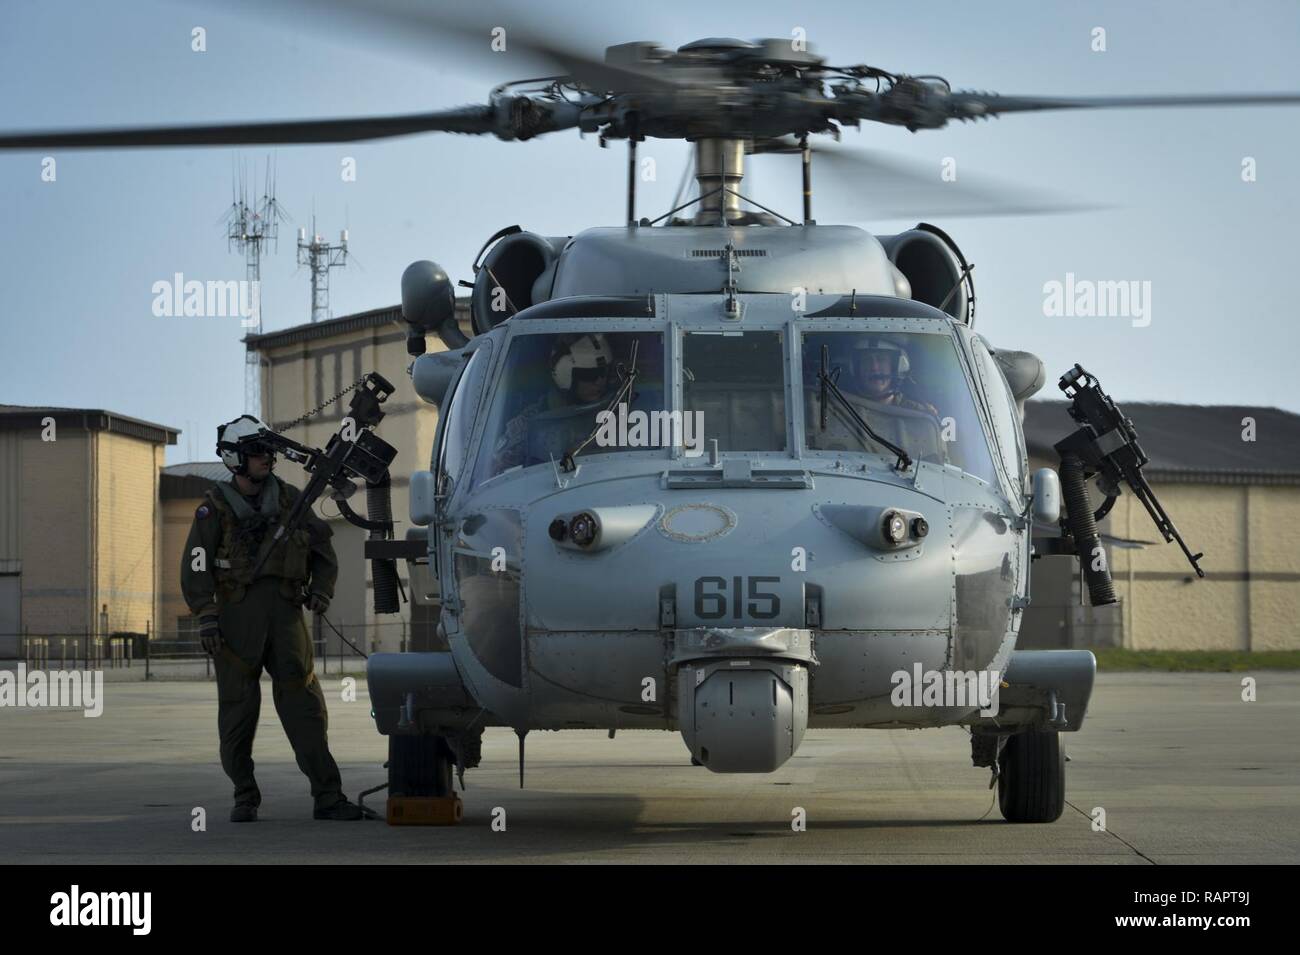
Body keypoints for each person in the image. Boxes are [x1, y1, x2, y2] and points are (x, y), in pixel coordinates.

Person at [181, 414, 363, 823]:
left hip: (285, 617)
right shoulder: (213, 510)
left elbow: (323, 552)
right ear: (236, 459)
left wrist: (321, 590)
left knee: (306, 709)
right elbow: (196, 567)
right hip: (235, 620)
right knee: (237, 712)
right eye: (257, 452)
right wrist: (206, 616)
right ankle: (244, 795)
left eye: (268, 451)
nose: (268, 458)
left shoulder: (293, 501)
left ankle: (328, 797)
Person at [491, 333, 617, 472]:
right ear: (565, 375)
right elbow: (500, 469)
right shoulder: (529, 422)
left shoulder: (619, 408)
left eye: (604, 373)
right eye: (590, 375)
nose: (600, 382)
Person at [848, 338, 939, 416]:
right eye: (867, 360)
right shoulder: (843, 409)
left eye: (881, 360)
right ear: (856, 368)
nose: (874, 368)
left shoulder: (918, 413)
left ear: (898, 366)